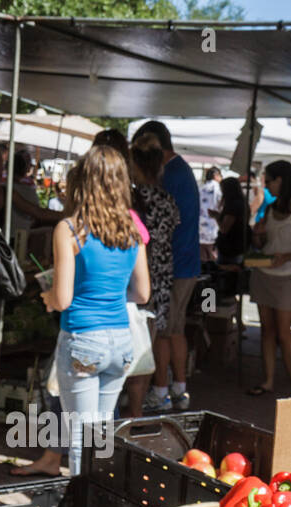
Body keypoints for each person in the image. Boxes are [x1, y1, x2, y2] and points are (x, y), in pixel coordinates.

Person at [39, 145, 150, 476]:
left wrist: (47, 297)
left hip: (83, 339)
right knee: (101, 437)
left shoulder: (70, 229)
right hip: (121, 340)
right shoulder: (132, 228)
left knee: (79, 439)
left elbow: (63, 298)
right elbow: (142, 293)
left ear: (82, 182)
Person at [134, 121, 199, 412]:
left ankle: (161, 391)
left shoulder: (166, 180)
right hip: (179, 266)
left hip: (171, 269)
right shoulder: (177, 177)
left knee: (163, 332)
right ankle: (177, 390)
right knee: (175, 329)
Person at [123, 130, 180, 417]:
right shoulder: (168, 201)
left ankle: (119, 416)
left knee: (122, 354)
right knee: (144, 354)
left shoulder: (128, 200)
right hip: (157, 284)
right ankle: (135, 414)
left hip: (127, 284)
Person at [248, 160, 291, 395]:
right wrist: (258, 236)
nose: (266, 186)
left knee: (284, 333)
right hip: (263, 273)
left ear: (281, 180)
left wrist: (287, 257)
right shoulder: (271, 207)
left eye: (269, 181)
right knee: (267, 330)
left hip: (286, 277)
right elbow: (262, 243)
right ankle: (268, 381)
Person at [0, 144, 62, 231]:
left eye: (2, 164)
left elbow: (35, 211)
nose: (1, 168)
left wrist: (65, 215)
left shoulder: (6, 192)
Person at [213, 176, 250, 266]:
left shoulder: (233, 206)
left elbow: (224, 229)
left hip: (230, 247)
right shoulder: (242, 203)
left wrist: (216, 217)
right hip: (238, 245)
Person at [199, 166, 222, 262]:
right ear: (215, 175)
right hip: (214, 228)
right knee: (214, 258)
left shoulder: (201, 188)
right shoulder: (219, 189)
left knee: (203, 258)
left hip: (200, 229)